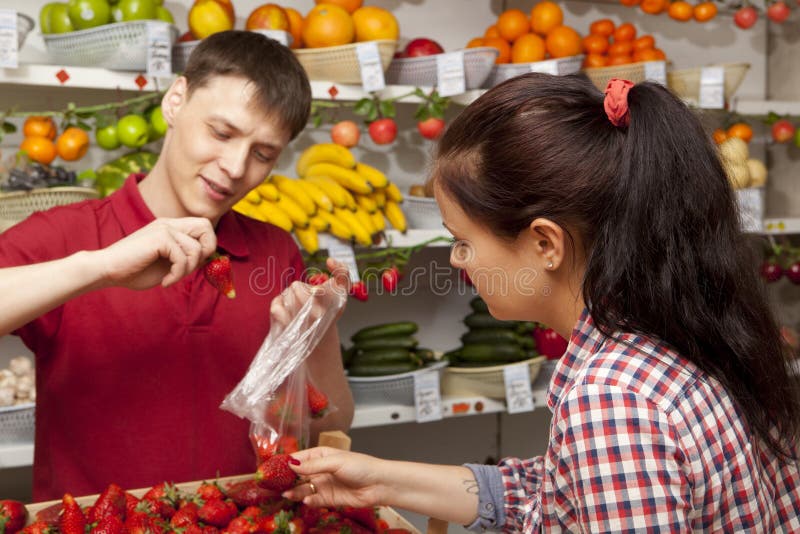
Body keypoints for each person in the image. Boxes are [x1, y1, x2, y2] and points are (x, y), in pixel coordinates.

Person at [283, 74, 800, 532]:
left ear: (545, 244)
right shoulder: (682, 332)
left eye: (463, 240)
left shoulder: (611, 401)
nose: (458, 262)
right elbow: (554, 492)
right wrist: (379, 480)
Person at [0, 30, 354, 501]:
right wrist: (102, 267)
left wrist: (321, 328)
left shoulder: (275, 251)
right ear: (175, 101)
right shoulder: (67, 236)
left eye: (262, 154)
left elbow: (331, 423)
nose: (233, 166)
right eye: (221, 133)